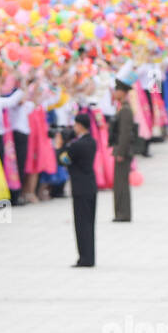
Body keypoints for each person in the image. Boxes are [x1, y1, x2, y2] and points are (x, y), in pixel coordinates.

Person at [57, 113, 97, 267]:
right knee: (89, 224)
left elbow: (64, 160)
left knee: (81, 225)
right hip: (91, 187)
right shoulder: (92, 142)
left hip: (80, 189)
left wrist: (59, 147)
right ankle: (89, 257)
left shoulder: (77, 145)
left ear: (80, 125)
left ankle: (84, 258)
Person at [109, 82, 135, 222]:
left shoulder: (125, 110)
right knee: (119, 183)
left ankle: (123, 213)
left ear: (123, 92)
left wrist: (120, 152)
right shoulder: (122, 108)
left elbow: (125, 133)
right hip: (121, 150)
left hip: (123, 151)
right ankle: (120, 212)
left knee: (121, 184)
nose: (114, 93)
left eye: (117, 90)